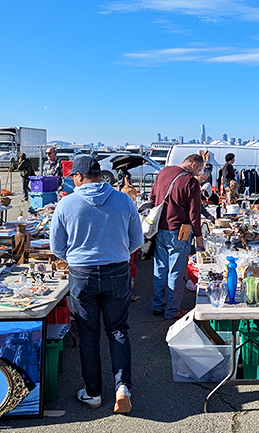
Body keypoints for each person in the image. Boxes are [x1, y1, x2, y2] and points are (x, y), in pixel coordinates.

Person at [49, 156, 142, 414]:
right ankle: (122, 387)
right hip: (117, 270)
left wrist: (77, 258)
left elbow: (57, 247)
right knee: (118, 330)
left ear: (79, 177)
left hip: (82, 273)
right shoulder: (124, 200)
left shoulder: (67, 204)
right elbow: (137, 240)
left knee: (89, 335)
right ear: (99, 176)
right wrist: (118, 252)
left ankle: (93, 393)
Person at [149, 154, 205, 320]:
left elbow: (152, 198)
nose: (198, 173)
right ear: (193, 164)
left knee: (160, 269)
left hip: (159, 228)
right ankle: (172, 310)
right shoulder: (190, 181)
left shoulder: (163, 172)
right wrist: (199, 237)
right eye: (199, 169)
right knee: (176, 272)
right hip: (180, 230)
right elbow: (194, 213)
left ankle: (158, 306)